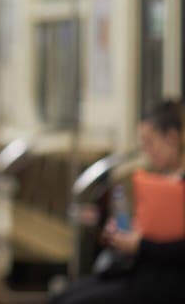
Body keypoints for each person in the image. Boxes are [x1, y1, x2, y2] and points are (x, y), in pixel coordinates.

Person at [50, 100, 185, 304]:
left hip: (166, 279)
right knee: (61, 297)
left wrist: (140, 245)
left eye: (150, 142)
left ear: (172, 138)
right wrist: (125, 233)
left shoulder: (176, 186)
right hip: (142, 271)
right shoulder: (163, 179)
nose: (147, 151)